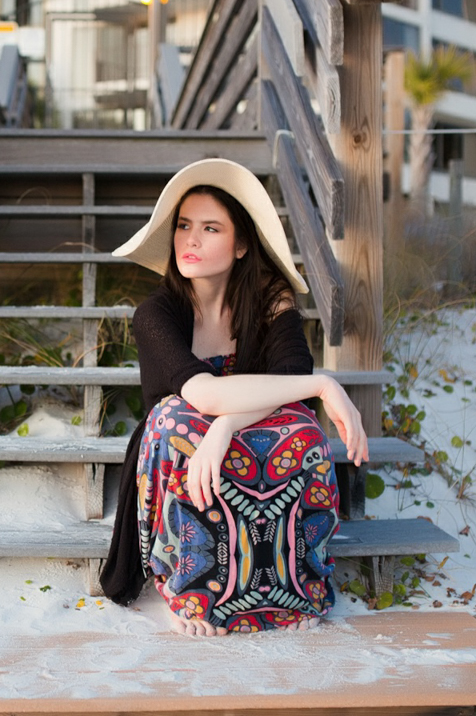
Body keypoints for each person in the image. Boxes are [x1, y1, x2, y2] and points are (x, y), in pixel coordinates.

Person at [100, 158, 369, 636]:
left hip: (241, 436)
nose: (190, 240)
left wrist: (227, 425)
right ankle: (190, 588)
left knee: (303, 430)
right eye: (183, 226)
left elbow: (291, 377)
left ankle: (290, 586)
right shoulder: (156, 313)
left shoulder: (272, 301)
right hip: (179, 447)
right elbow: (203, 394)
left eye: (210, 228)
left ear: (241, 244)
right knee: (174, 422)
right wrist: (325, 385)